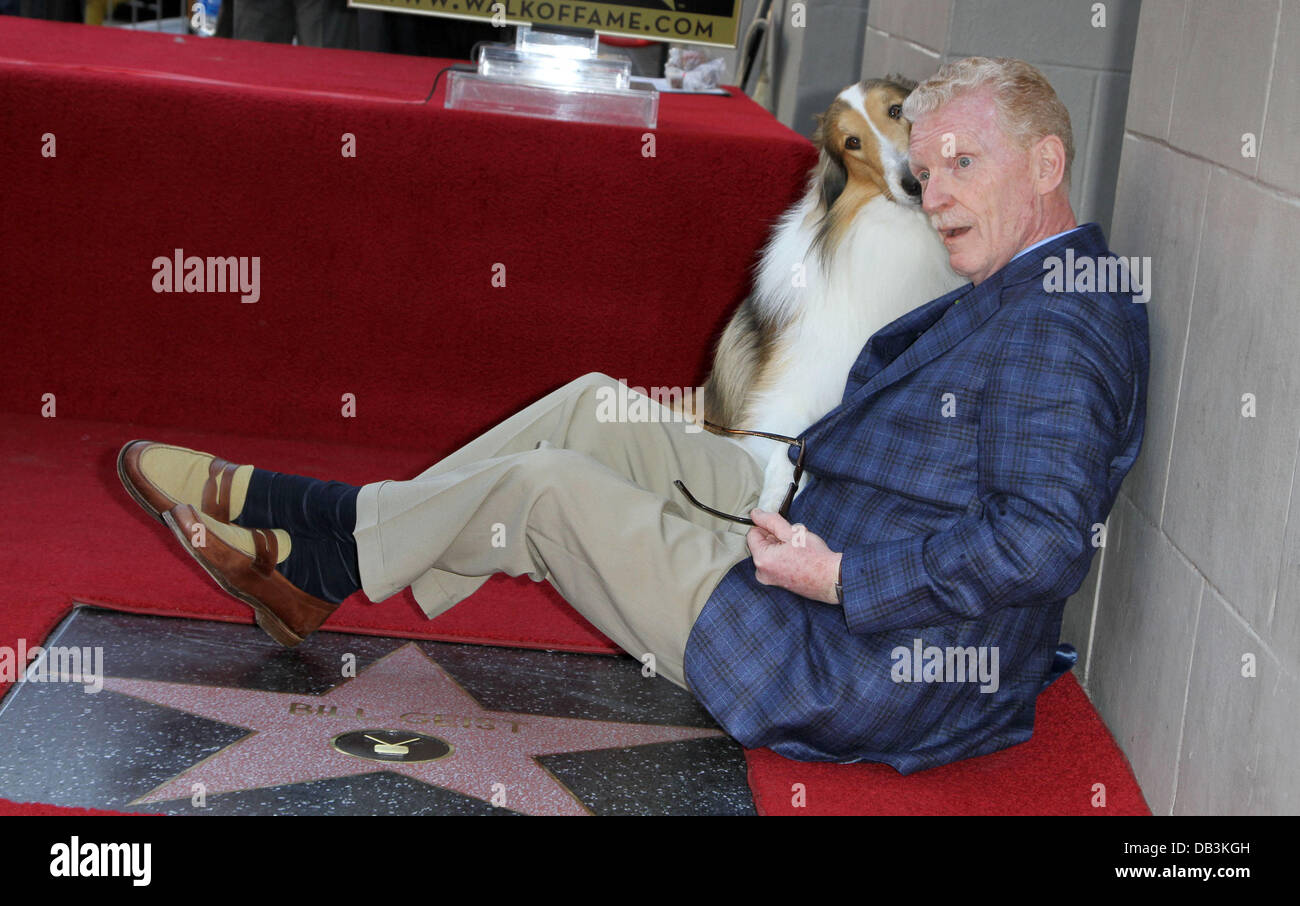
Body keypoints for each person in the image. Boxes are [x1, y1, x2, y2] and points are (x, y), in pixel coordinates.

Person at [118, 57, 1149, 774]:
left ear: (1047, 163)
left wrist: (839, 577)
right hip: (806, 525)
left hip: (850, 653)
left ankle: (312, 541)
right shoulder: (1038, 283)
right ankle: (318, 561)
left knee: (544, 492)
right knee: (586, 410)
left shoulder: (1061, 323)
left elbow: (1044, 541)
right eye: (927, 175)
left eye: (964, 166)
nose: (935, 198)